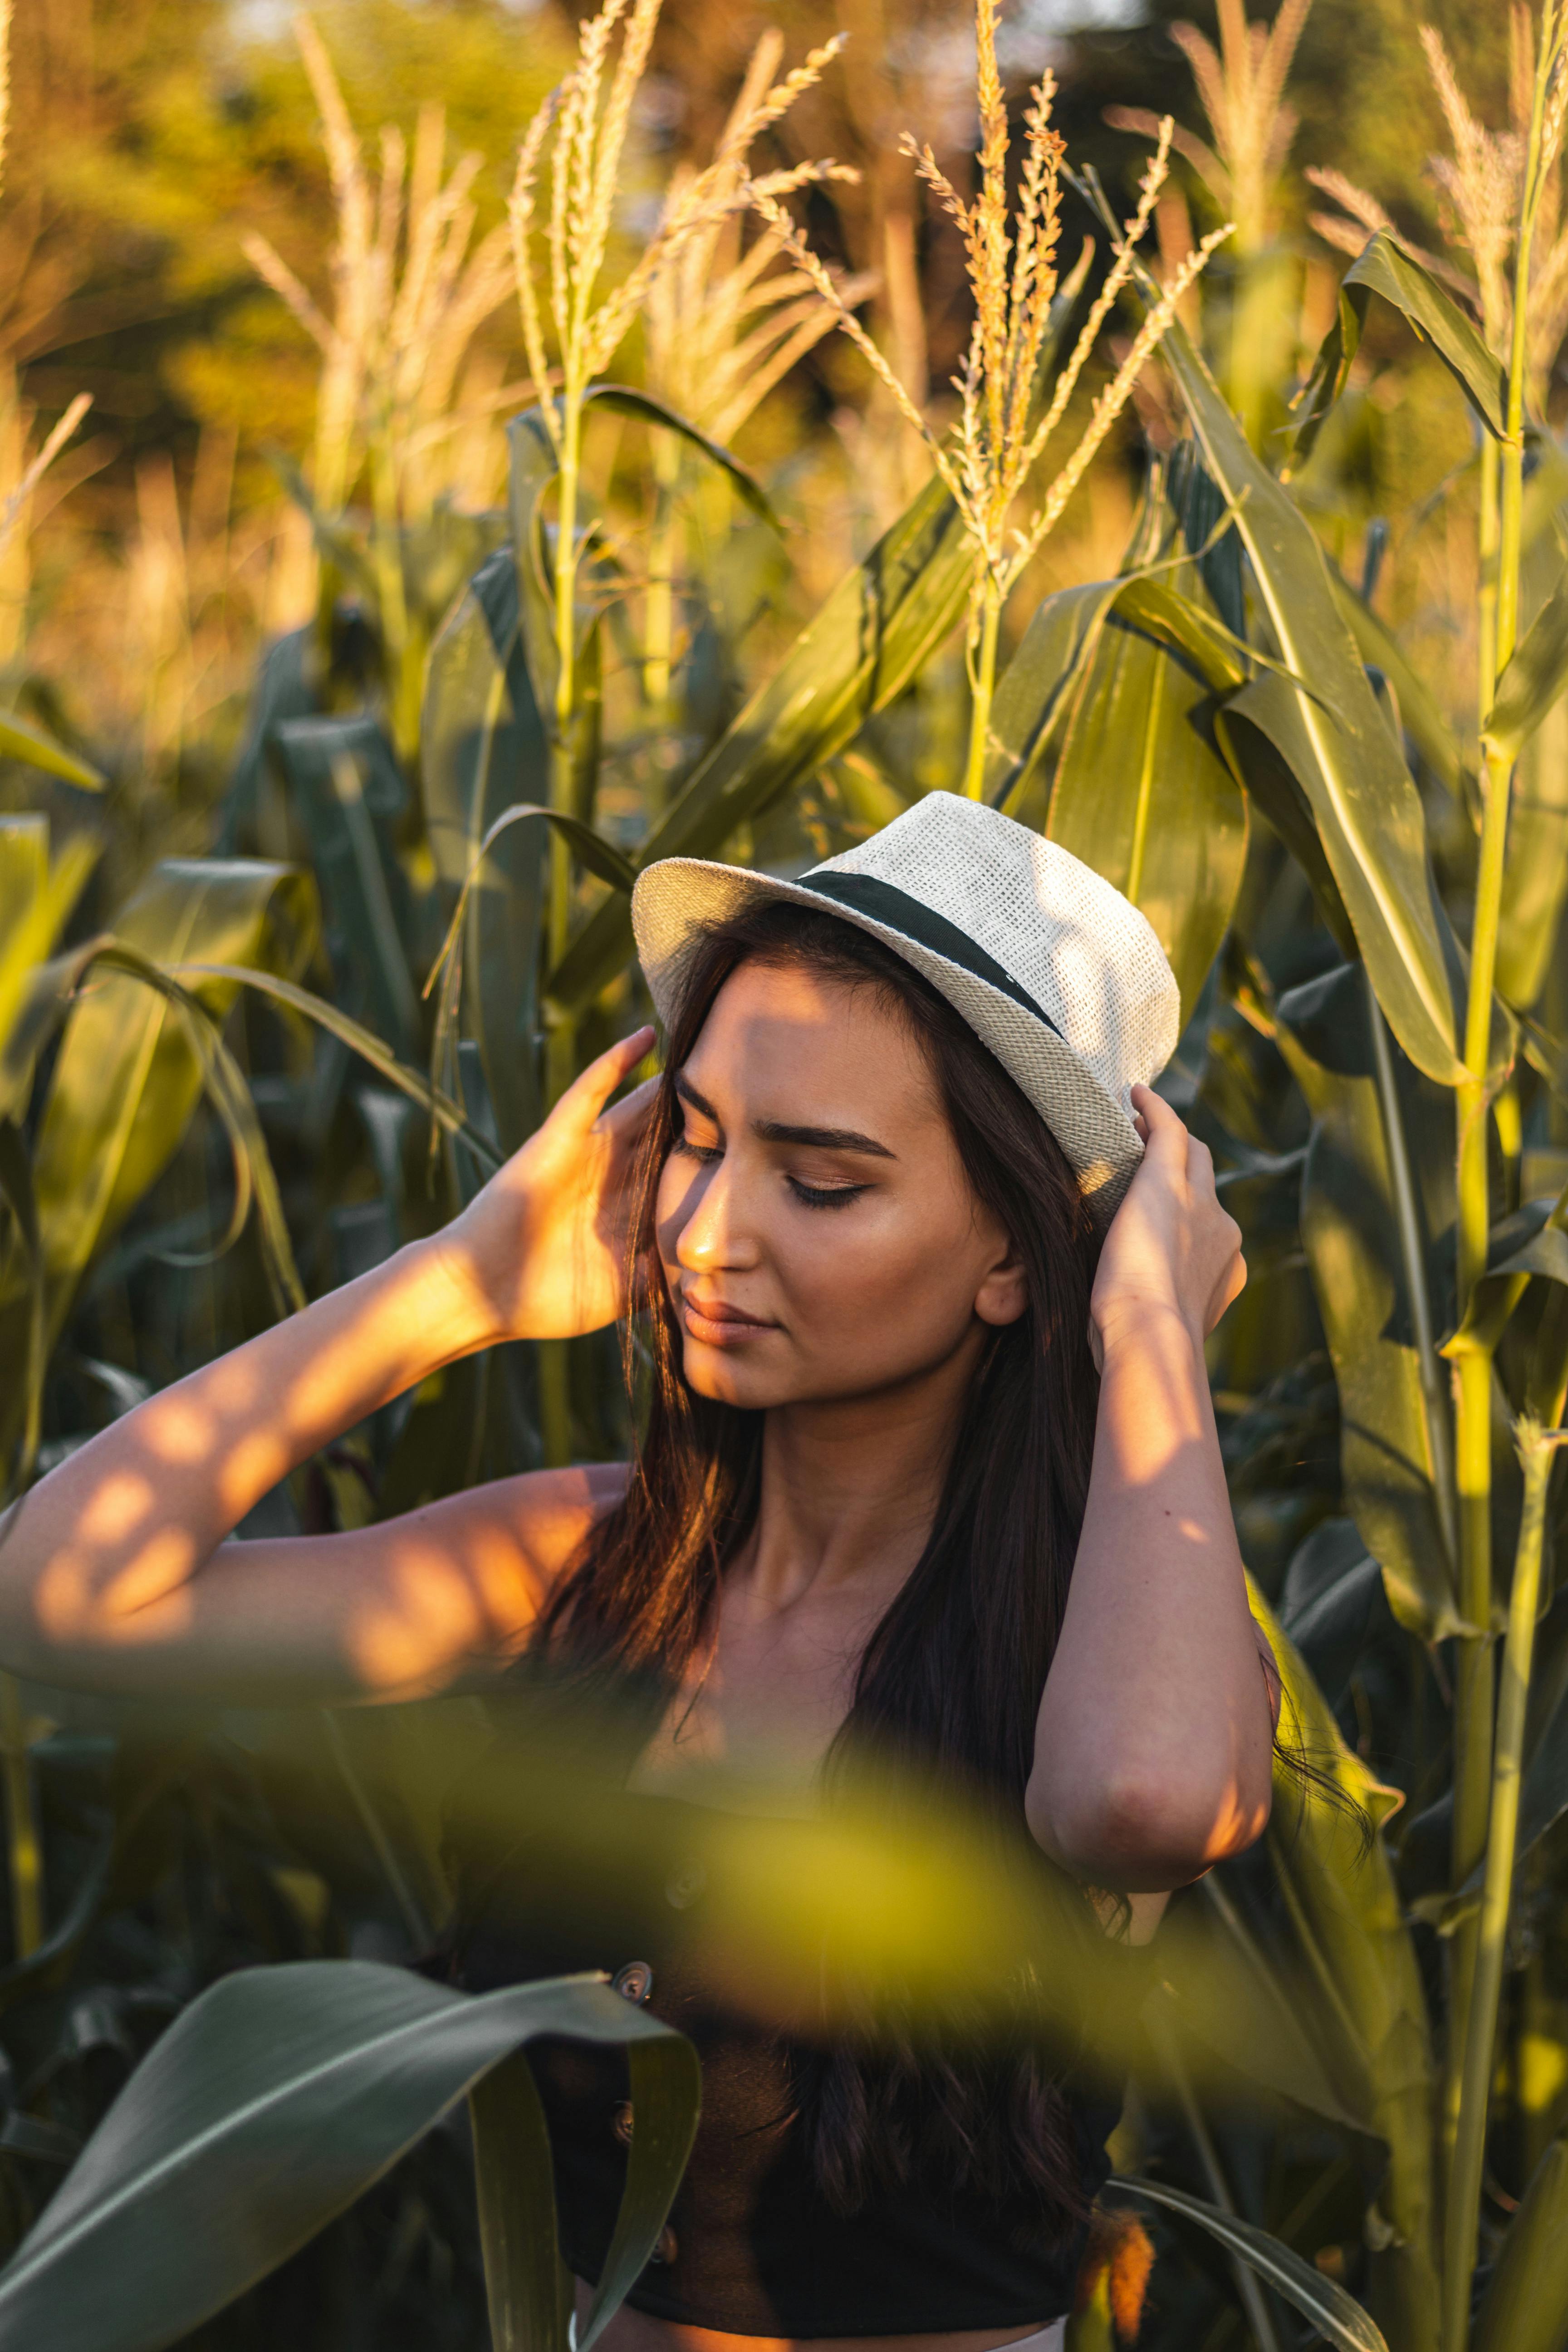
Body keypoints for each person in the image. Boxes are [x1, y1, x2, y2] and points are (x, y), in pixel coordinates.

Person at [0, 791, 1278, 2352]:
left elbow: (1141, 1806)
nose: (706, 1234)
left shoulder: (1110, 1635)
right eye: (698, 1139)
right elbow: (59, 1596)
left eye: (821, 1182)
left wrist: (1145, 1327)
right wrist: (457, 1284)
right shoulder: (590, 1563)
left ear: (1013, 1254)